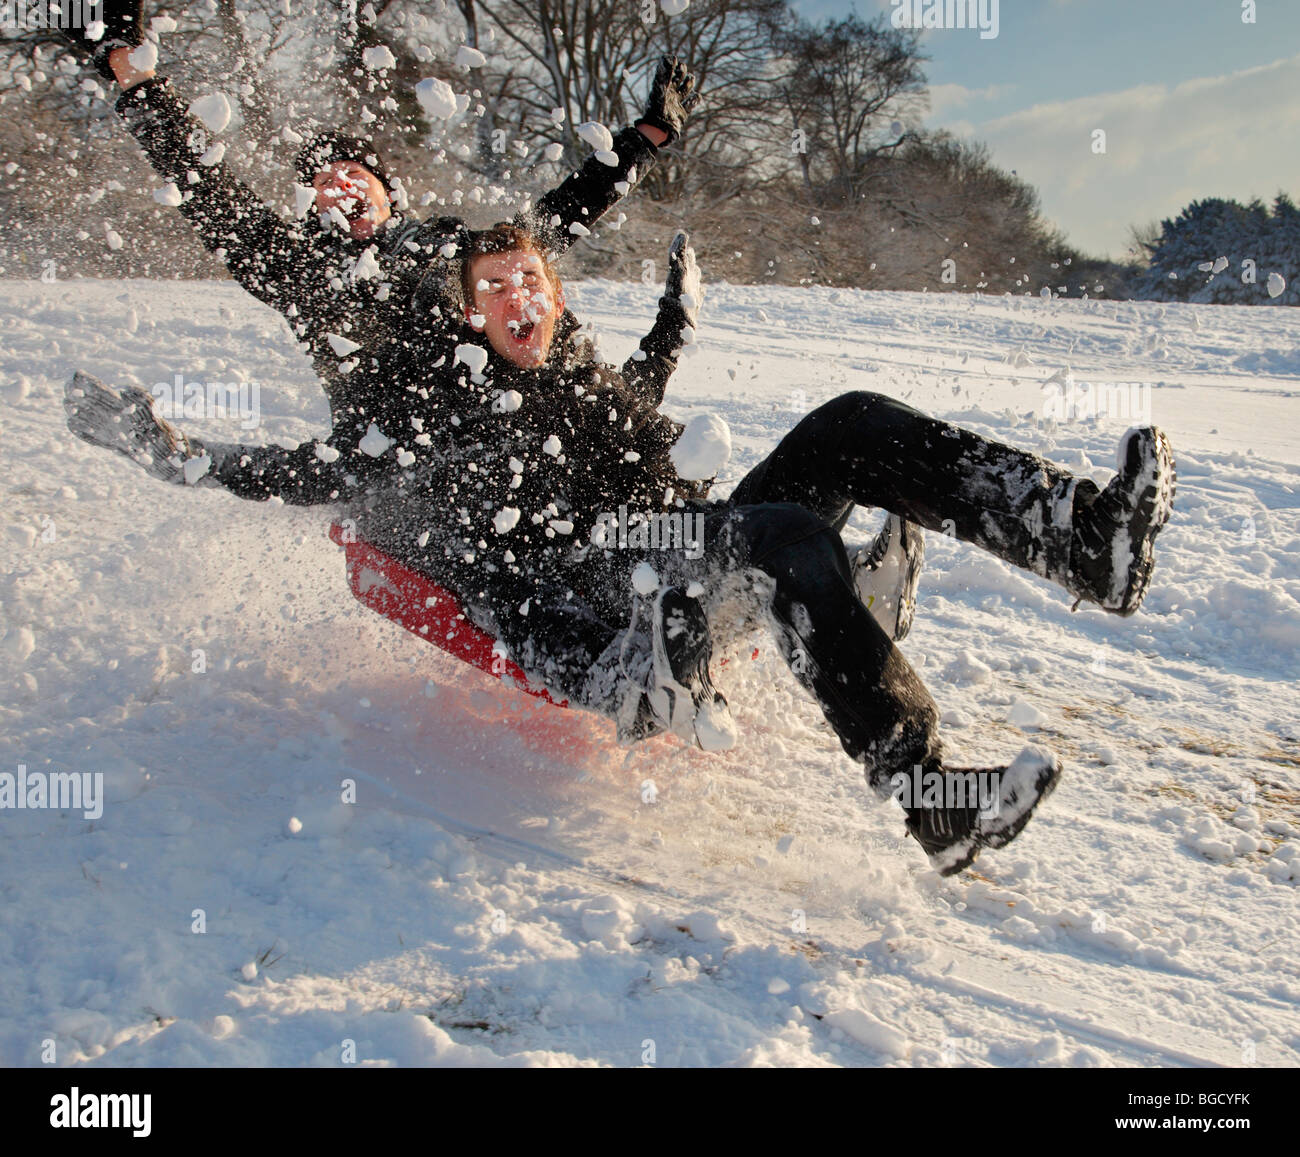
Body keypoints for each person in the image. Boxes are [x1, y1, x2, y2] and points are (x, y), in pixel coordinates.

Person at [64, 212, 1177, 876]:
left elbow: (646, 434)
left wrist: (674, 331)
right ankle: (925, 792)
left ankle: (1088, 542)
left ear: (555, 295)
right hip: (591, 590)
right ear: (467, 313)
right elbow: (298, 471)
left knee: (848, 420)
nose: (515, 297)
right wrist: (168, 450)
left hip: (665, 543)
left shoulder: (584, 376)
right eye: (491, 288)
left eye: (530, 281)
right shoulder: (434, 408)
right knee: (784, 534)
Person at [54, 2, 696, 440]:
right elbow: (212, 195)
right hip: (408, 453)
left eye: (353, 173)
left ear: (388, 192)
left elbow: (554, 220)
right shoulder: (297, 268)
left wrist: (642, 139)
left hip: (525, 417)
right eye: (322, 183)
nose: (337, 183)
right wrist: (137, 83)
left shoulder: (452, 245)